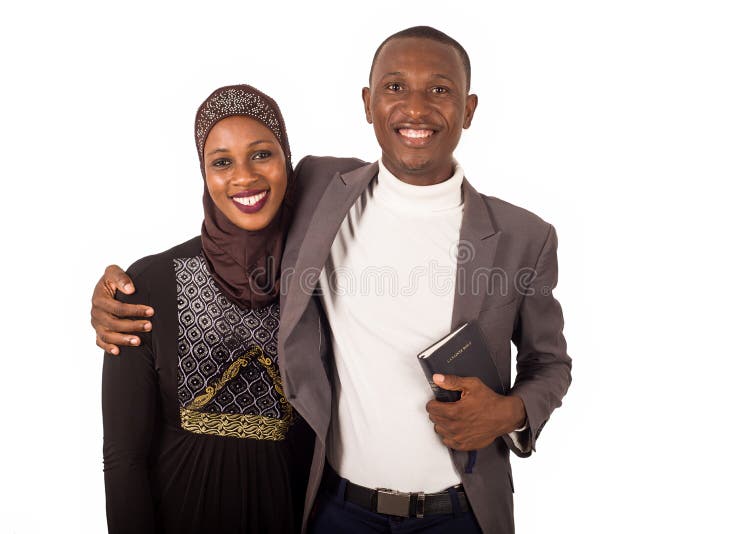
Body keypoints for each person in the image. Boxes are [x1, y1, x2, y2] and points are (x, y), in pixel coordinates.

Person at [93, 27, 571, 534]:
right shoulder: (323, 189)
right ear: (367, 103)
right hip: (339, 510)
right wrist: (116, 291)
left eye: (439, 89)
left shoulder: (524, 237)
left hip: (461, 513)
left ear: (469, 109)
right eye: (394, 87)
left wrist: (512, 412)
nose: (414, 107)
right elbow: (242, 220)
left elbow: (551, 362)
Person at [102, 84, 308, 533]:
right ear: (203, 173)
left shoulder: (315, 281)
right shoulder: (149, 284)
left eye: (261, 154)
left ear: (287, 162)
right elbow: (124, 458)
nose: (243, 177)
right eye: (221, 162)